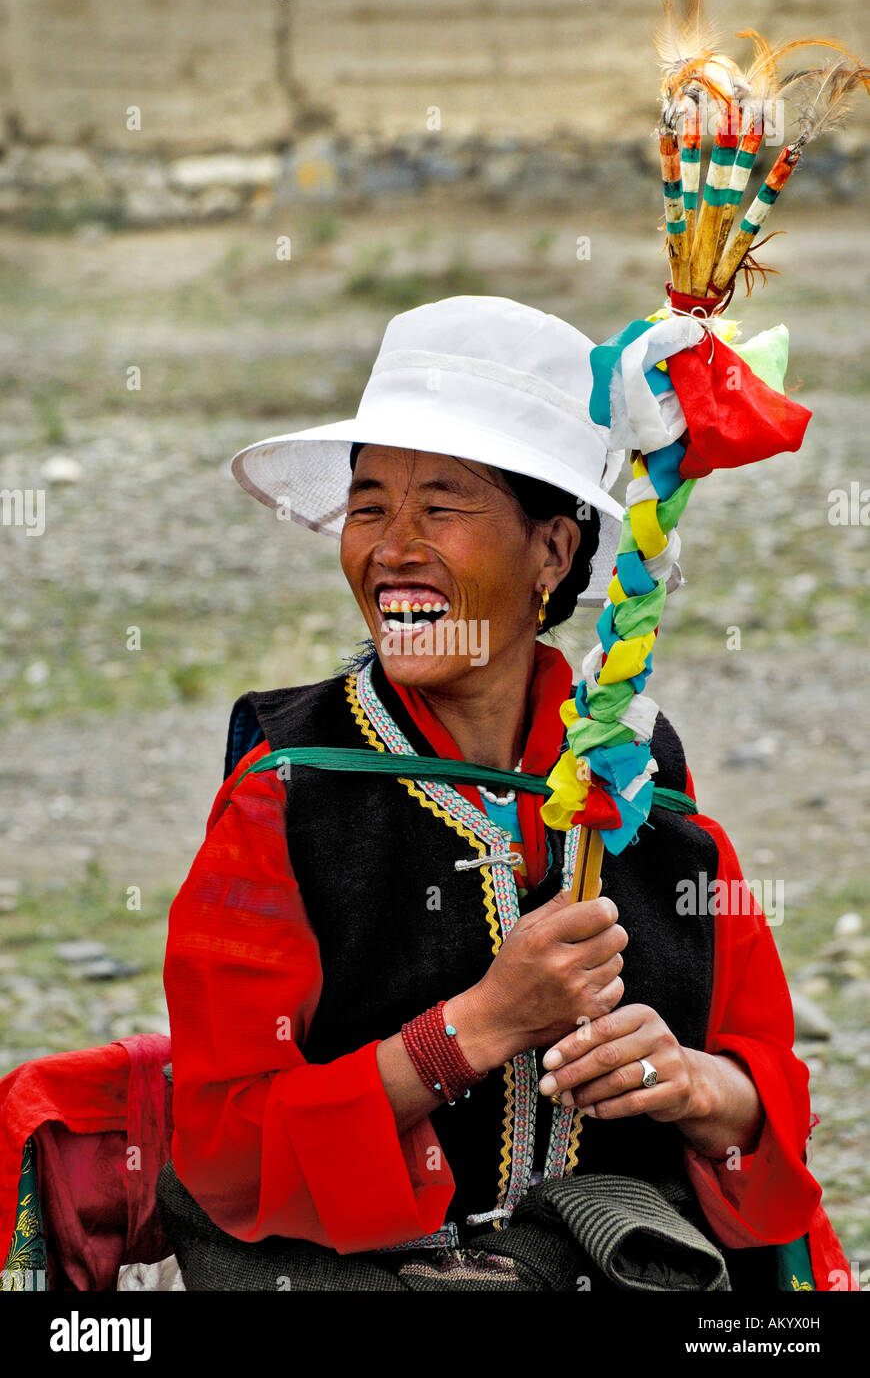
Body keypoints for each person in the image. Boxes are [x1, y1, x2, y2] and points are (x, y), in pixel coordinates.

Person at [155, 295, 846, 1291]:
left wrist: (689, 1084)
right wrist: (469, 1031)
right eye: (367, 504)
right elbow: (220, 1144)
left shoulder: (656, 802)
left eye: (440, 506)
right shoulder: (287, 793)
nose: (391, 547)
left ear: (552, 552)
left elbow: (764, 1097)